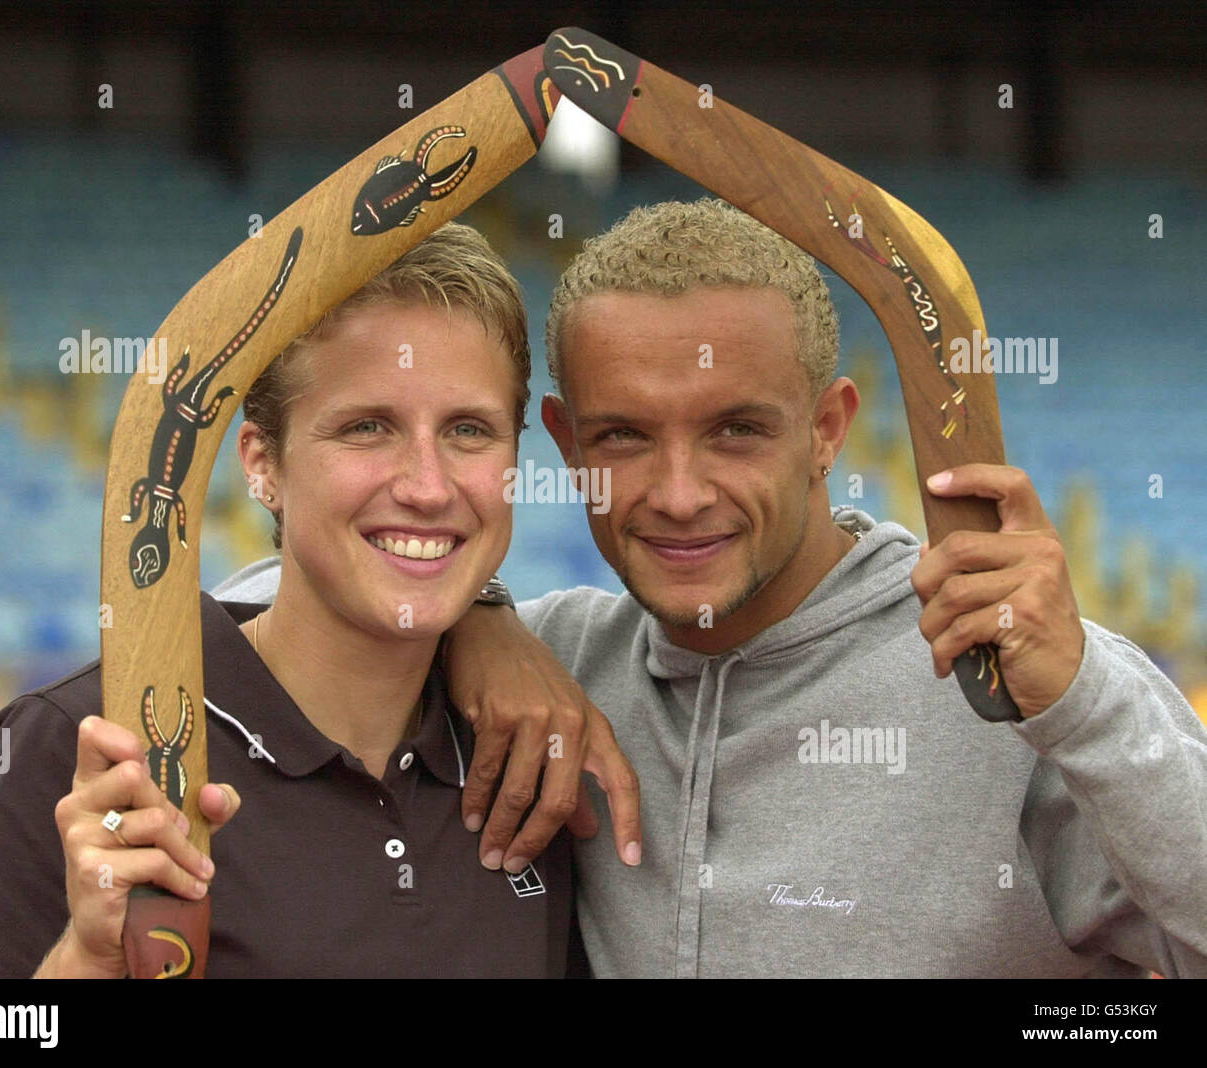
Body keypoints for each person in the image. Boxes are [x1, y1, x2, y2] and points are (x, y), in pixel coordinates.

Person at [214, 197, 1207, 978]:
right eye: (624, 436)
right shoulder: (553, 667)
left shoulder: (1014, 680)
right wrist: (478, 619)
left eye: (736, 429)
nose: (680, 496)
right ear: (564, 444)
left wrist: (1083, 705)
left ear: (826, 431)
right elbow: (264, 614)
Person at [0, 222, 614, 978]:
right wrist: (85, 959)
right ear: (261, 463)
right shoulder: (89, 747)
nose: (427, 485)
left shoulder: (529, 766)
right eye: (367, 427)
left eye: (469, 430)